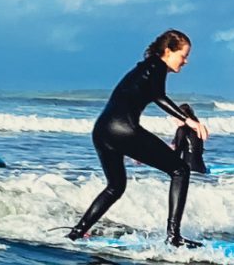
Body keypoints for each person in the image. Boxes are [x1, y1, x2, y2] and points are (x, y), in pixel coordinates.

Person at [67, 29, 209, 247]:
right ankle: (174, 237)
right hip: (123, 129)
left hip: (103, 130)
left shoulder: (145, 68)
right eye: (183, 55)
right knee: (180, 170)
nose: (186, 61)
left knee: (116, 186)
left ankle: (76, 233)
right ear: (168, 51)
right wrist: (188, 120)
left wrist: (134, 146)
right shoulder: (157, 65)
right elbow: (158, 96)